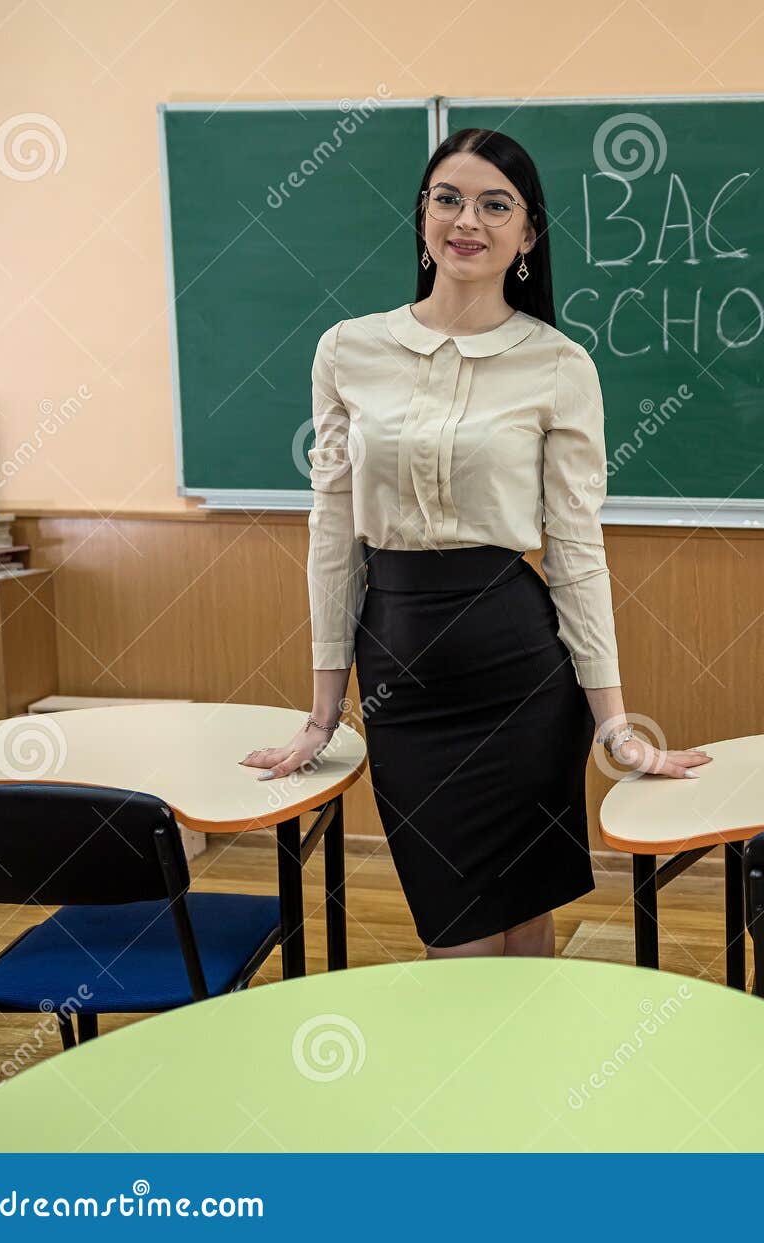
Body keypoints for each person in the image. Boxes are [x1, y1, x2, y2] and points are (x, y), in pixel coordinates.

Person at [242, 128, 710, 959]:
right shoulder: (348, 350)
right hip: (403, 679)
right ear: (422, 215)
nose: (469, 220)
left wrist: (614, 726)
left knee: (527, 923)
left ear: (528, 235)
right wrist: (322, 712)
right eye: (449, 199)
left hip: (521, 675)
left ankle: (532, 1089)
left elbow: (574, 548)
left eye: (497, 205)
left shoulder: (560, 364)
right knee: (454, 939)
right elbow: (332, 537)